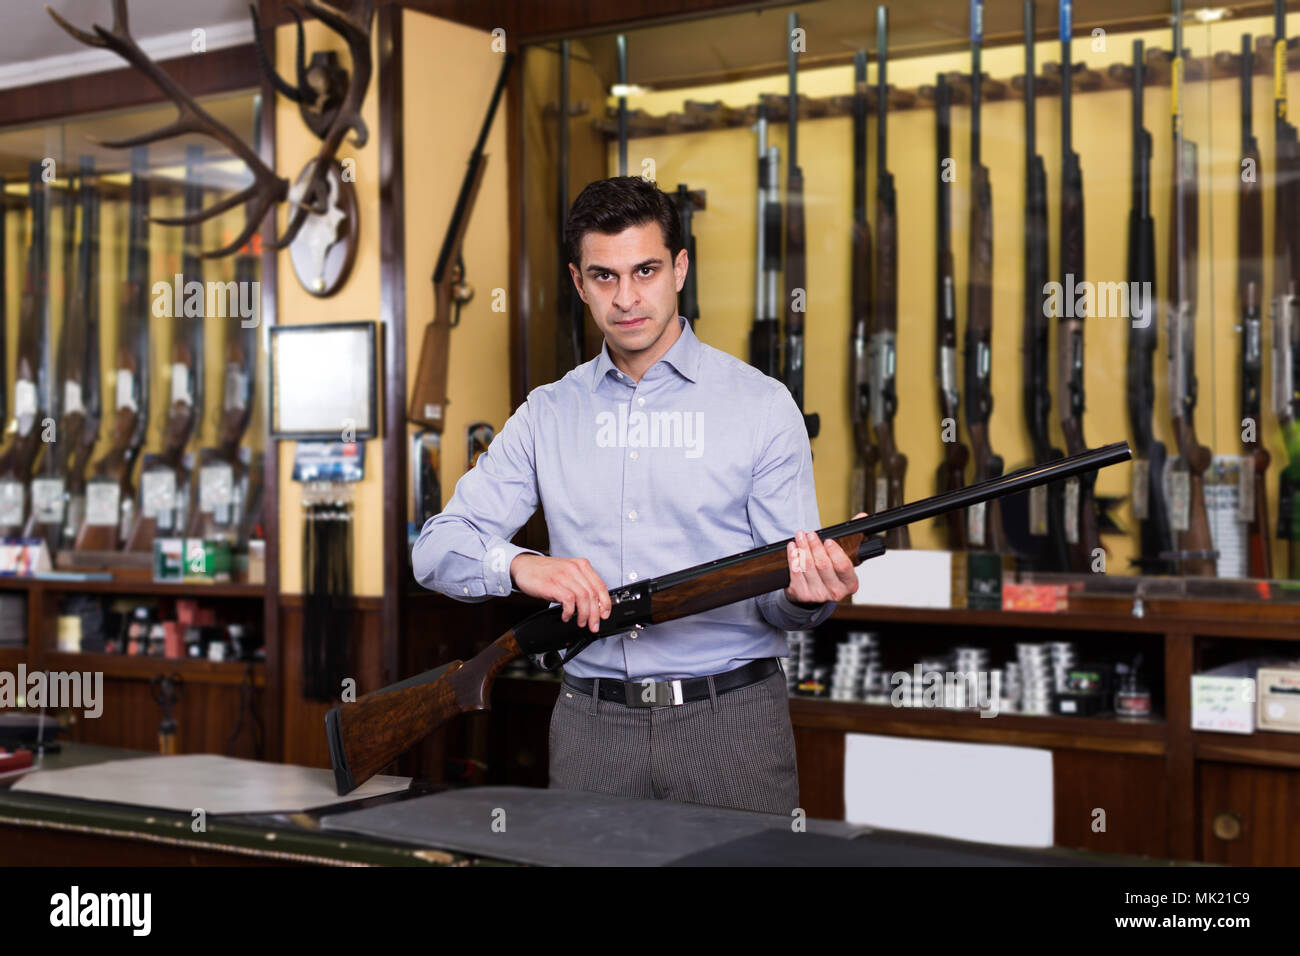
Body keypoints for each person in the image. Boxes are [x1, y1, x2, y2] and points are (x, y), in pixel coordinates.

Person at [412, 176, 862, 814]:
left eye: (645, 271)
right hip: (590, 728)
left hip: (731, 725)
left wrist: (805, 596)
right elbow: (434, 550)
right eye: (604, 276)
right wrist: (522, 565)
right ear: (578, 282)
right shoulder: (546, 413)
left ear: (680, 268)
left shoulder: (762, 407)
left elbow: (780, 605)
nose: (626, 298)